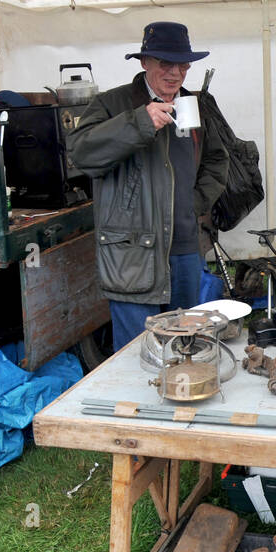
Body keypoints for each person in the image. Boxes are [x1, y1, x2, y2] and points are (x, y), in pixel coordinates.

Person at [68, 22, 229, 353]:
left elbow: (217, 159)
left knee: (183, 344)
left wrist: (194, 203)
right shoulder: (112, 104)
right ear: (145, 63)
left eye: (182, 65)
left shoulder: (192, 105)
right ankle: (135, 404)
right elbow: (81, 154)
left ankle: (181, 402)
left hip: (185, 248)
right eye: (165, 64)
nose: (175, 73)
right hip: (133, 251)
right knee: (137, 352)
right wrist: (139, 122)